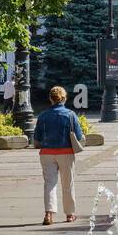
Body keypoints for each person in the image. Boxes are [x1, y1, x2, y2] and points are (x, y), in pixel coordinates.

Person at [34, 85, 84, 225]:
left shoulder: (43, 115)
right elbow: (78, 136)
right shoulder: (70, 115)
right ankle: (69, 214)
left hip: (46, 153)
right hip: (66, 152)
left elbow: (36, 138)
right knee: (68, 184)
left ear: (51, 99)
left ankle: (48, 214)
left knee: (50, 184)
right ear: (64, 98)